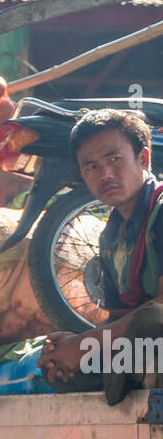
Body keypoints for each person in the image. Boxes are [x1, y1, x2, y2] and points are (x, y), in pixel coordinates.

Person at [40, 108, 163, 403]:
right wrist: (69, 347)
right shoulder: (111, 235)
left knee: (151, 321)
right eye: (91, 166)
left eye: (114, 159)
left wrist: (84, 345)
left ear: (143, 158)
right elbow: (117, 318)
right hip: (143, 349)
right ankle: (133, 379)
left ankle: (135, 379)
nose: (105, 174)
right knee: (56, 365)